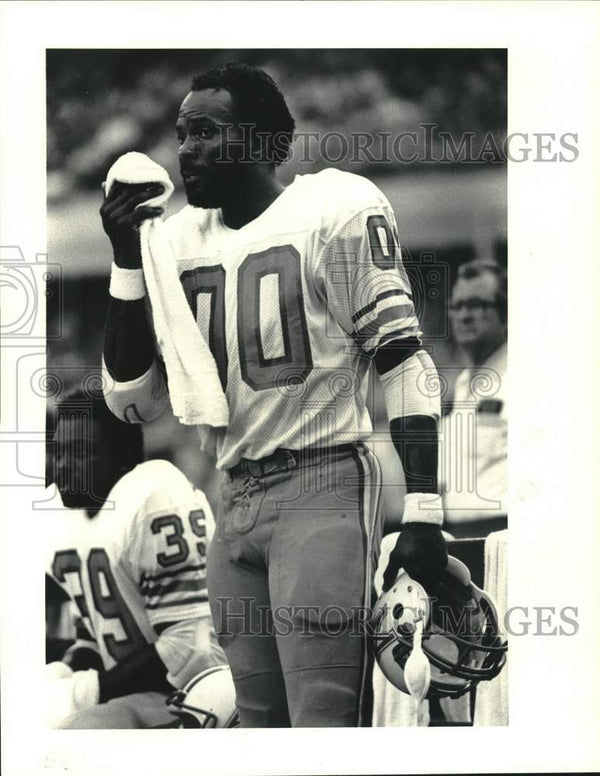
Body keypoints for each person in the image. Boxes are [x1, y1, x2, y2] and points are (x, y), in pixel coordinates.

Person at [100, 63, 447, 727]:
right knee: (258, 725)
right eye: (182, 134)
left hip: (323, 481)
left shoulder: (333, 210)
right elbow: (131, 403)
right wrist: (124, 258)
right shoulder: (172, 241)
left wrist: (426, 511)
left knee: (322, 718)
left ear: (260, 141)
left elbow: (403, 359)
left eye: (208, 132)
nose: (187, 150)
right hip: (234, 495)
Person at [45, 388, 225, 728]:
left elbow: (190, 646)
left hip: (199, 692)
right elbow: (99, 638)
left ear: (124, 457)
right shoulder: (73, 521)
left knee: (75, 733)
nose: (64, 466)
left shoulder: (152, 496)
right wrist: (66, 670)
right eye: (59, 452)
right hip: (140, 691)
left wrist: (86, 692)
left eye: (81, 453)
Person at [440, 259, 508, 537]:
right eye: (457, 306)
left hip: (503, 533)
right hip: (459, 536)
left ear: (504, 312)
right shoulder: (463, 385)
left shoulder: (525, 379)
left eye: (478, 304)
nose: (465, 315)